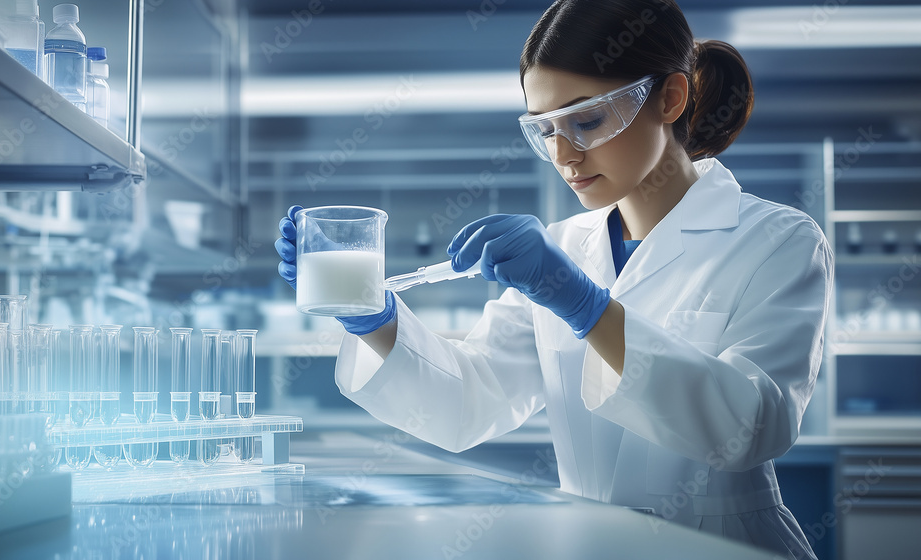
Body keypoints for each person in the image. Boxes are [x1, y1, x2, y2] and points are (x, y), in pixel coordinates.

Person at [275, 1, 832, 557]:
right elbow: (471, 401)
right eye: (546, 129)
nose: (564, 155)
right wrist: (376, 319)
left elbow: (750, 424)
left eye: (586, 120)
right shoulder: (567, 248)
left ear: (670, 98)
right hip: (592, 543)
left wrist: (586, 306)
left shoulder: (778, 239)